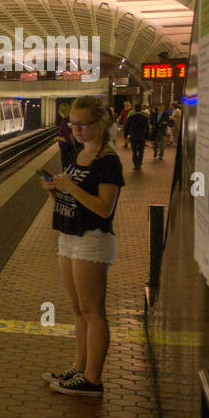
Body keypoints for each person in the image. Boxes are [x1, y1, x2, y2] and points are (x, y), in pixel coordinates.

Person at [40, 96, 124, 399]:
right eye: (73, 124)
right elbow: (72, 198)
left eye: (82, 124)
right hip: (69, 236)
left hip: (93, 239)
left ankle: (93, 380)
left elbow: (104, 208)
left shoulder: (108, 161)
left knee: (93, 312)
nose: (75, 129)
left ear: (100, 123)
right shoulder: (79, 154)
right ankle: (80, 367)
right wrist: (54, 191)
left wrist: (70, 187)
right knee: (78, 310)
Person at [124, 103, 149, 171]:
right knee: (141, 151)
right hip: (141, 136)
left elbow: (126, 127)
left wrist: (125, 135)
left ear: (134, 109)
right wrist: (147, 137)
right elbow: (147, 128)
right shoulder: (144, 118)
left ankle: (136, 165)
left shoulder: (130, 118)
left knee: (134, 152)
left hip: (133, 136)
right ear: (141, 109)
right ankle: (140, 164)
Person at [54, 100, 75, 169]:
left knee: (66, 166)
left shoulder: (65, 121)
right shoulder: (69, 120)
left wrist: (57, 138)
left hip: (67, 148)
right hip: (69, 148)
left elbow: (68, 138)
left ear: (61, 111)